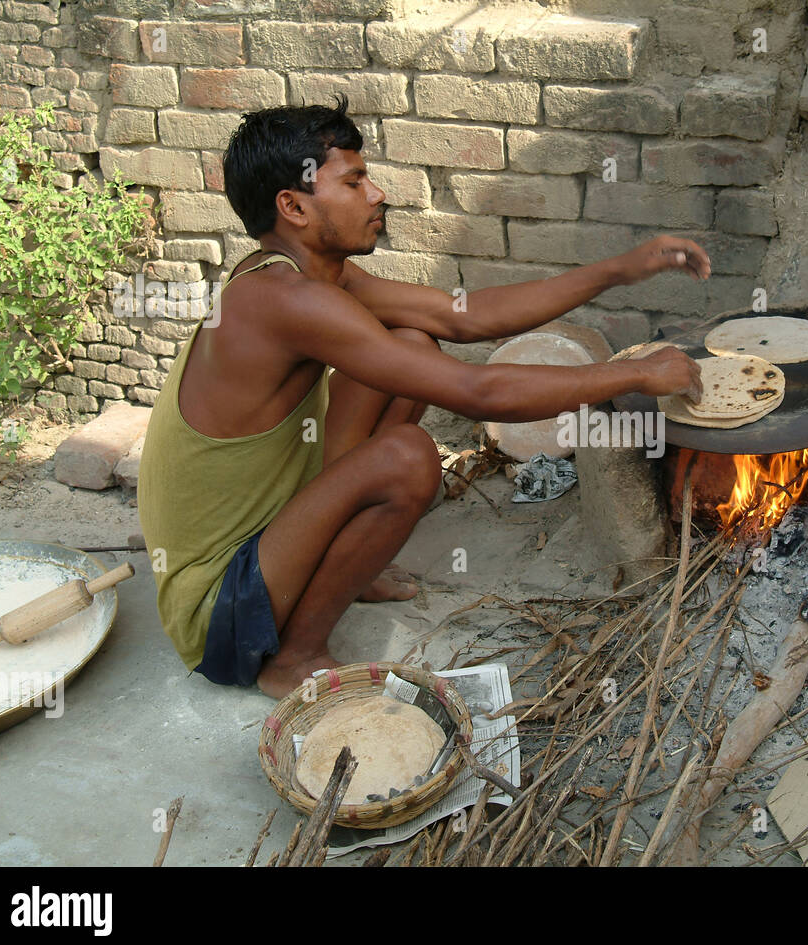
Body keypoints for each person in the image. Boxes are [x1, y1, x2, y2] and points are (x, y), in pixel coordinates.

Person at [138, 96, 708, 698]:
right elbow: (478, 391)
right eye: (355, 181)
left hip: (266, 537)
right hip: (221, 613)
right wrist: (633, 374)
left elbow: (460, 317)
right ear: (294, 205)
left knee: (412, 338)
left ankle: (343, 571)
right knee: (408, 457)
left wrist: (618, 270)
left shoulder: (305, 275)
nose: (378, 194)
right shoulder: (284, 300)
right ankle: (292, 656)